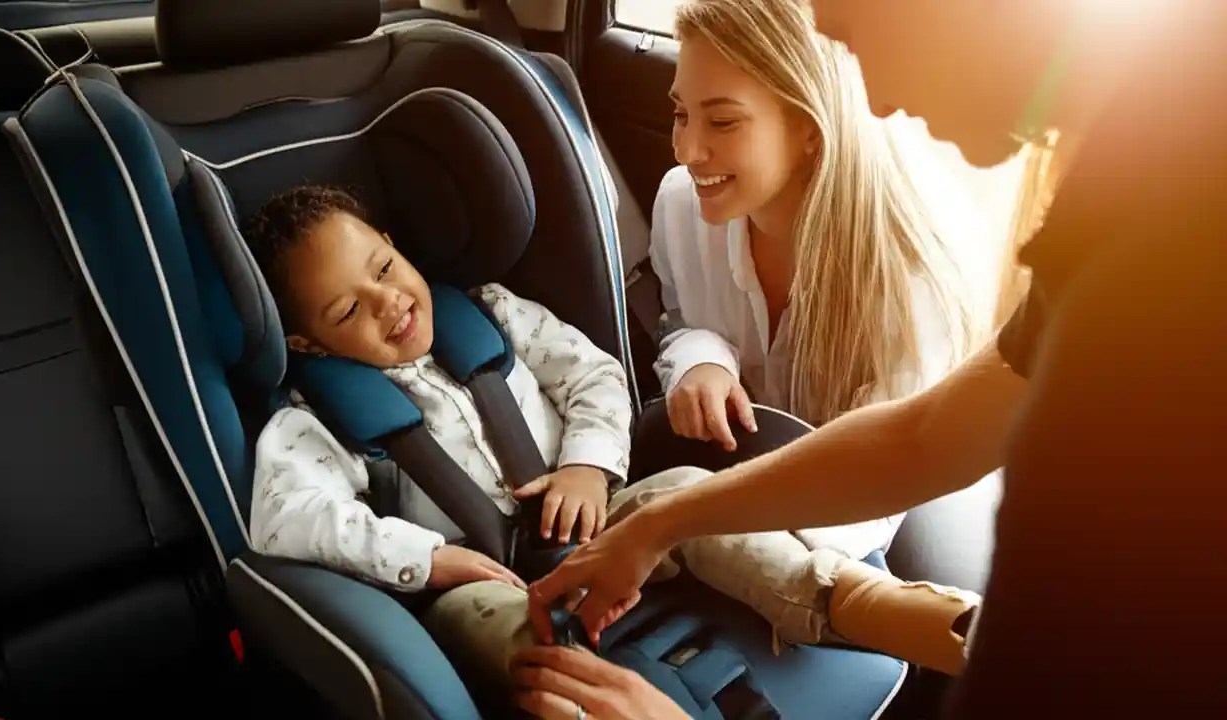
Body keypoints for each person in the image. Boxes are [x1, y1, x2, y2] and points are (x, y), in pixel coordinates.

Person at [523, 0, 1227, 717]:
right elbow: (920, 438)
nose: (879, 100)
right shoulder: (1120, 193)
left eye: (859, 38)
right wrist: (658, 523)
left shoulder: (1177, 229)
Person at [242, 184, 981, 700]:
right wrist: (426, 560)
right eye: (349, 310)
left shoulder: (492, 316)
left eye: (384, 269)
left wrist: (589, 468)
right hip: (484, 584)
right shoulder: (313, 422)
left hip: (604, 520)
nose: (389, 303)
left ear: (396, 246)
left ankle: (859, 604)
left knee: (689, 491)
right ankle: (596, 701)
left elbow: (592, 375)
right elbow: (288, 517)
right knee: (491, 628)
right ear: (308, 341)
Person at [648, 0, 978, 563]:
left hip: (847, 528)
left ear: (808, 128)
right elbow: (677, 322)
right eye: (681, 114)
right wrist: (702, 358)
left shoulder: (908, 271)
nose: (686, 151)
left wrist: (726, 537)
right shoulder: (681, 205)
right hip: (736, 493)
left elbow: (889, 472)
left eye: (722, 121)